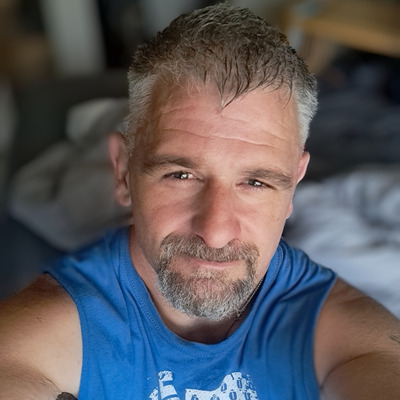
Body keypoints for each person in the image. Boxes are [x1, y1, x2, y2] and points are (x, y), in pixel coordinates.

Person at [1, 3, 399, 399]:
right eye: (181, 175)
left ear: (294, 185)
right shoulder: (41, 335)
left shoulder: (351, 337)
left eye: (256, 182)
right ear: (123, 171)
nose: (215, 232)